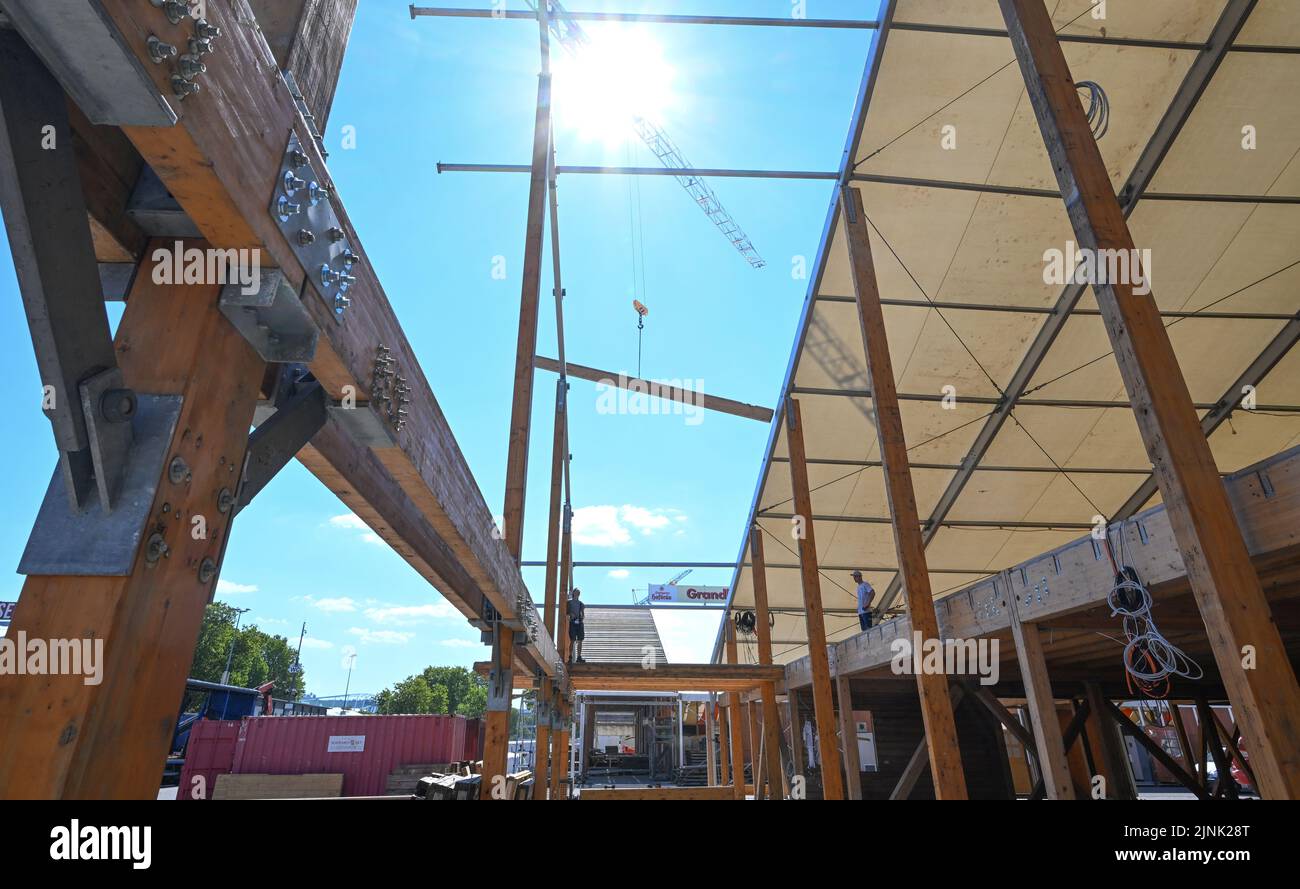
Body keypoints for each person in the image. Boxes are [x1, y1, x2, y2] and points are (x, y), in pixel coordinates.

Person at [568, 587, 586, 663]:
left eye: (579, 593)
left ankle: (579, 657)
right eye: (576, 592)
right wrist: (570, 615)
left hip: (579, 623)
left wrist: (582, 616)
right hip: (572, 622)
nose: (578, 594)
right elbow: (566, 612)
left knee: (580, 640)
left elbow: (583, 614)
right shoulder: (569, 602)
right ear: (573, 593)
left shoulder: (581, 604)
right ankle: (570, 657)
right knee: (572, 640)